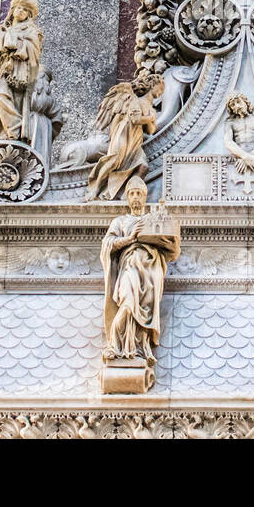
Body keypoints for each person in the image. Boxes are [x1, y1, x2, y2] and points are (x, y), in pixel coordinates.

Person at [100, 183, 181, 364]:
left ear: (145, 197)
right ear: (128, 198)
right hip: (129, 266)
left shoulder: (153, 219)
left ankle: (139, 346)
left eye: (139, 193)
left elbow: (173, 251)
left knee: (145, 307)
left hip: (151, 269)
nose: (136, 197)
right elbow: (108, 244)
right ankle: (116, 345)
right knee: (128, 302)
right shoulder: (120, 221)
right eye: (132, 194)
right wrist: (129, 239)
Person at [86, 75, 165, 201]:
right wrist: (150, 118)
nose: (161, 93)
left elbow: (150, 130)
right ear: (152, 85)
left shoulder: (151, 109)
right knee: (114, 161)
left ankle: (124, 194)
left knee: (143, 166)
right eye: (160, 89)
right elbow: (135, 119)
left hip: (136, 139)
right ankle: (95, 189)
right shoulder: (134, 99)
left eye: (162, 91)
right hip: (124, 133)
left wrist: (151, 120)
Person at [0, 0, 44, 142]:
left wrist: (16, 44)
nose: (20, 11)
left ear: (29, 15)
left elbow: (33, 50)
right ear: (12, 10)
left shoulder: (31, 30)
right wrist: (6, 39)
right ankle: (13, 128)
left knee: (8, 97)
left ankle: (15, 130)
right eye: (18, 8)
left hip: (19, 72)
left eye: (25, 10)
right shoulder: (4, 28)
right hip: (1, 69)